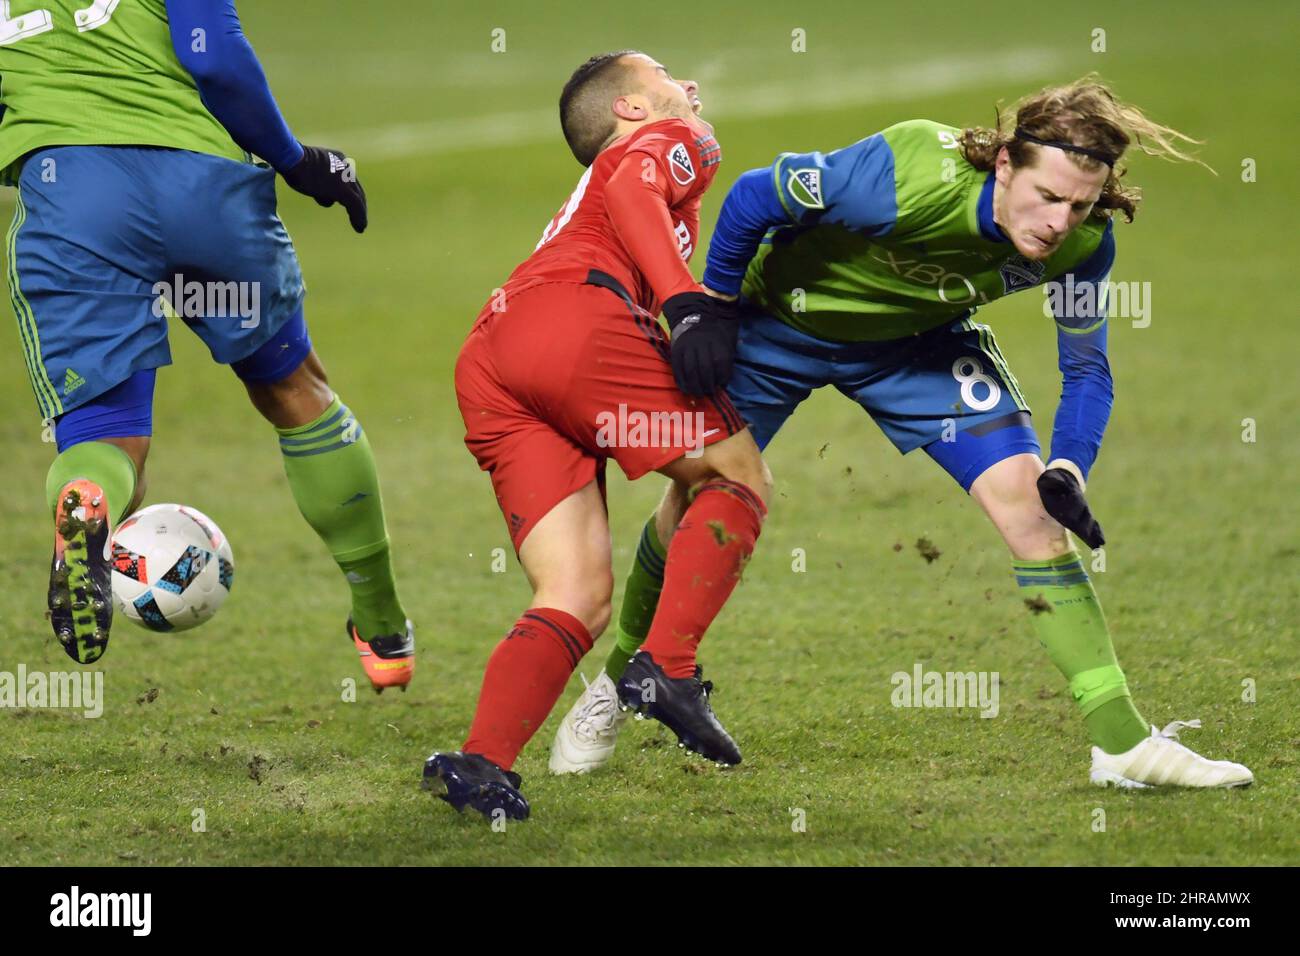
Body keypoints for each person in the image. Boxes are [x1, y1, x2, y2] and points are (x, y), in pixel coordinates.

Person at [551, 77, 1252, 790]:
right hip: (781, 325)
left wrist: (1068, 469)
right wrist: (714, 308)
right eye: (1047, 197)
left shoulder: (1084, 246)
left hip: (916, 346)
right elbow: (757, 194)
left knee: (1036, 514)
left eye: (1079, 204)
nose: (1058, 222)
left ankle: (1121, 743)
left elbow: (1088, 371)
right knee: (698, 502)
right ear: (1005, 164)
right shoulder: (905, 171)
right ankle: (617, 685)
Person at [2, 0, 413, 690]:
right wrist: (296, 159)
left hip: (76, 197)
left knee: (106, 432)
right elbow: (214, 57)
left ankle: (86, 497)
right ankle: (382, 624)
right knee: (295, 389)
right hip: (205, 191)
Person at [422, 51, 772, 823]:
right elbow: (630, 184)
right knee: (736, 475)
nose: (690, 87)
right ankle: (667, 669)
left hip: (497, 353)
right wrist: (683, 304)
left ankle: (481, 765)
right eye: (669, 77)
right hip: (575, 324)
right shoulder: (674, 141)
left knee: (575, 594)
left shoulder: (606, 183)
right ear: (632, 109)